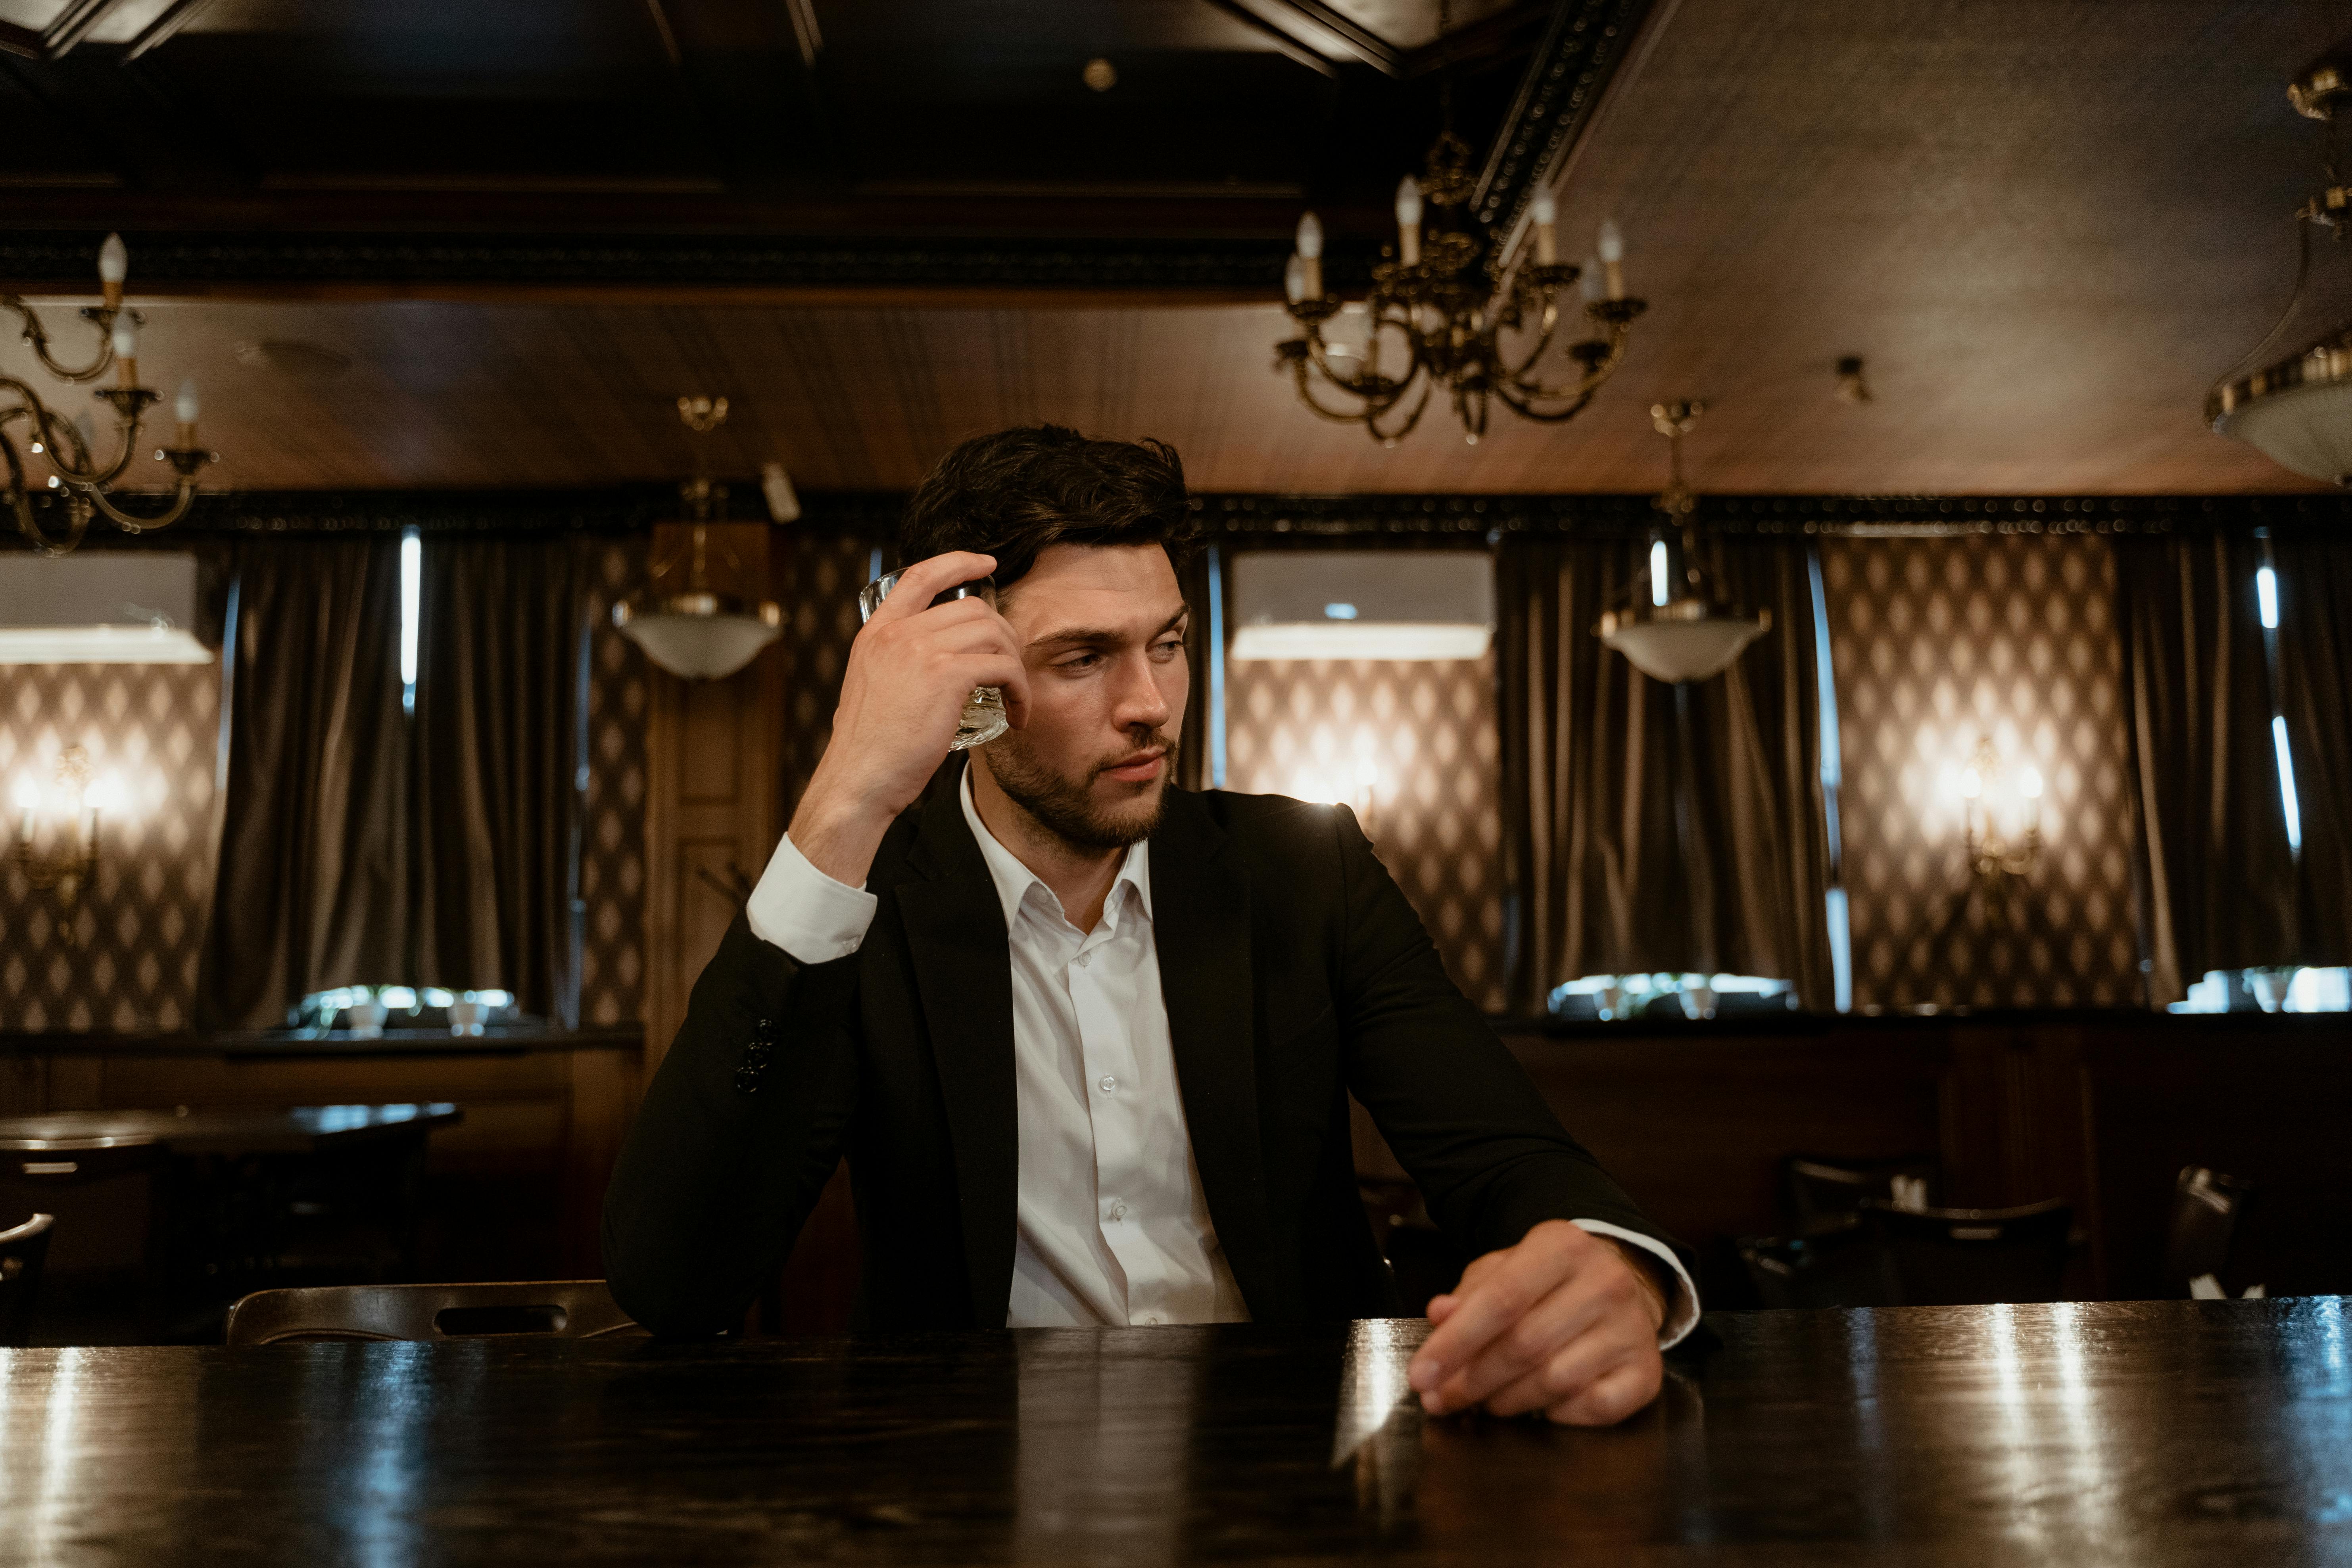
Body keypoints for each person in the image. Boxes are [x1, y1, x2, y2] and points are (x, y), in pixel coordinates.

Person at [603, 425, 1699, 1425]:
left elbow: (1505, 1152)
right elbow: (678, 1278)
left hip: (1290, 1467)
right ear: (967, 679)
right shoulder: (865, 897)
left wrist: (1613, 1266)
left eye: (1166, 643)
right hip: (964, 1483)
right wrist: (846, 793)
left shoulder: (1305, 870)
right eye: (1084, 658)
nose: (1152, 703)